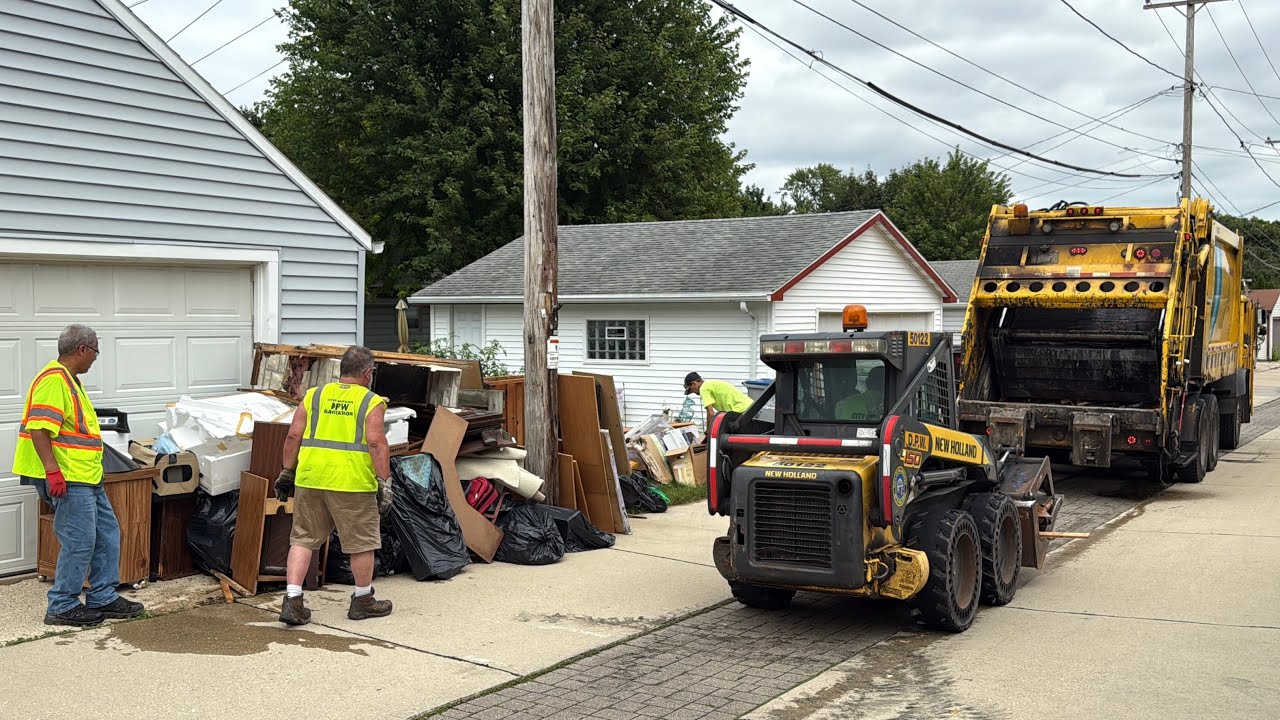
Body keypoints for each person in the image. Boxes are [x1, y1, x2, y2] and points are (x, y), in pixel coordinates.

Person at [12, 325, 144, 627]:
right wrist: (52, 472)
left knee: (107, 534)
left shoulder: (70, 381)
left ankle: (103, 596)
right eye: (95, 351)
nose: (96, 358)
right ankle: (62, 604)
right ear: (82, 349)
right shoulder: (54, 381)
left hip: (86, 477)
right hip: (68, 479)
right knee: (80, 541)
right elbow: (39, 429)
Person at [275, 346, 393, 625]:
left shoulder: (315, 395)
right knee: (361, 543)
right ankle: (363, 600)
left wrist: (286, 472)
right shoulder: (370, 401)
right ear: (367, 373)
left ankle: (292, 600)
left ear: (342, 370)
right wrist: (384, 482)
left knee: (303, 539)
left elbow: (293, 436)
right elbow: (376, 443)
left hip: (311, 479)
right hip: (352, 483)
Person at [684, 372, 753, 425]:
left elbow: (710, 413)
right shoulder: (711, 384)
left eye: (691, 390)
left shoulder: (703, 388)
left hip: (741, 410)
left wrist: (708, 433)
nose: (693, 392)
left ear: (693, 383)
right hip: (750, 407)